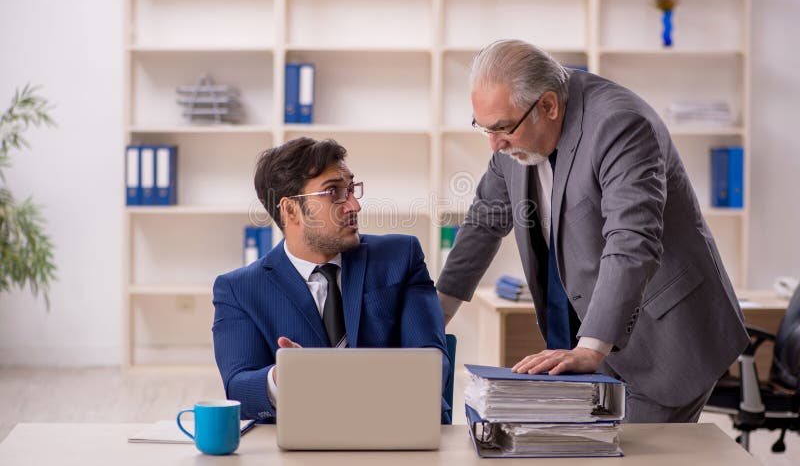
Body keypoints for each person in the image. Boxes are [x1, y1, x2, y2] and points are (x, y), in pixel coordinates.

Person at [436, 39, 748, 423]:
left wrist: (591, 346)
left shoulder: (620, 125)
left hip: (663, 336)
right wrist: (434, 316)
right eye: (483, 128)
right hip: (589, 336)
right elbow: (485, 220)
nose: (494, 144)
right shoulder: (514, 135)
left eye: (502, 128)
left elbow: (631, 238)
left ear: (548, 105)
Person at [213, 137, 451, 423]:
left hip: (400, 427)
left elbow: (431, 364)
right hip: (304, 438)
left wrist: (326, 378)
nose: (353, 206)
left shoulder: (401, 257)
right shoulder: (239, 290)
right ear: (290, 210)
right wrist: (283, 377)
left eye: (351, 189)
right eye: (333, 192)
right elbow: (239, 389)